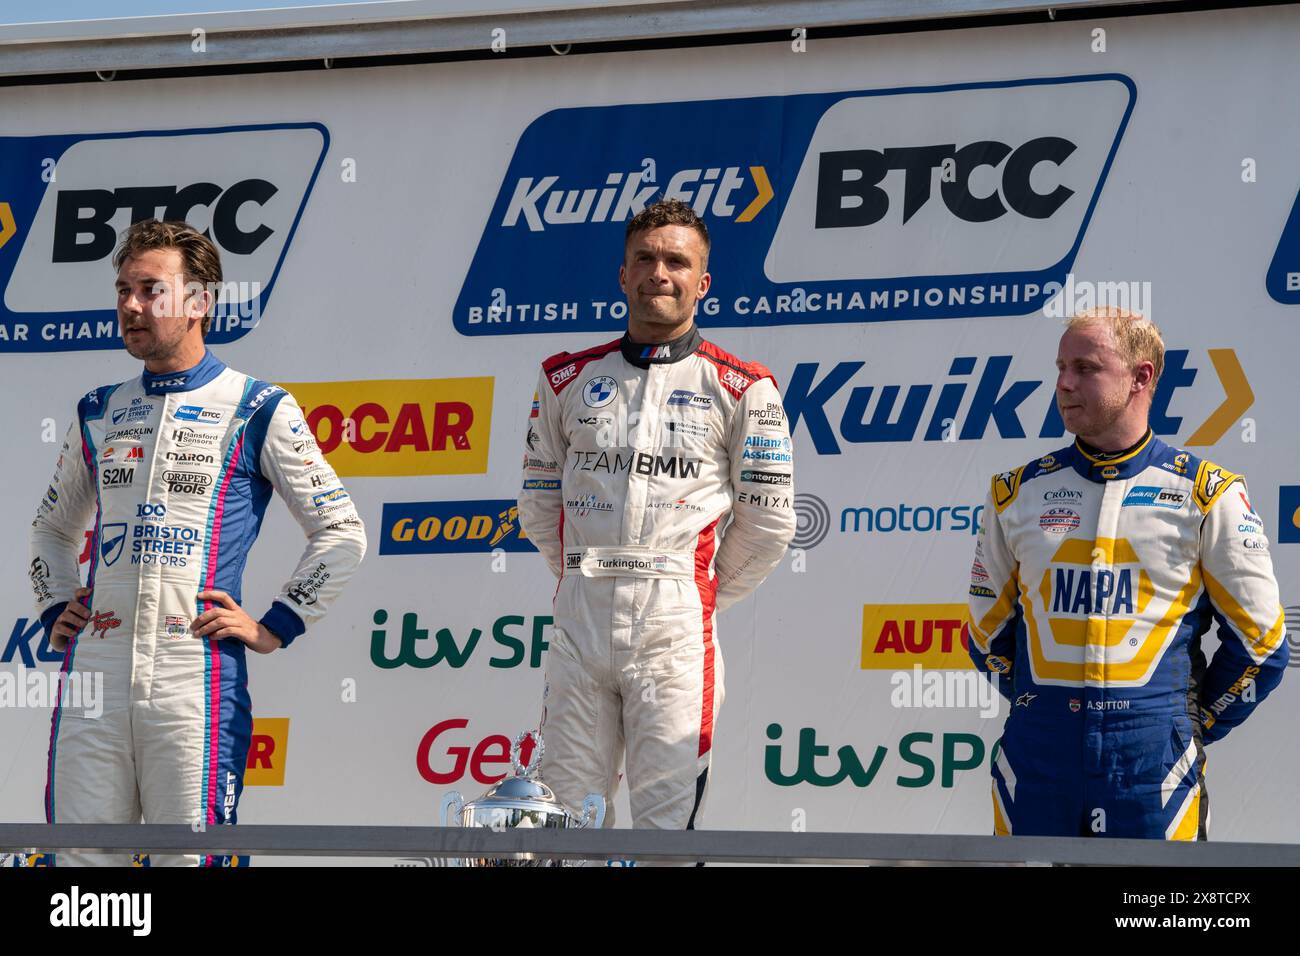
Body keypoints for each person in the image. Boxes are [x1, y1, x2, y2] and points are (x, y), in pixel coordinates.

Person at [29, 219, 366, 866]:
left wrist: (275, 625)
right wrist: (54, 604)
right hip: (95, 674)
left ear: (200, 302)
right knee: (75, 866)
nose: (130, 305)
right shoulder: (98, 409)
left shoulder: (257, 406)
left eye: (151, 289)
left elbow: (341, 531)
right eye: (124, 289)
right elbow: (51, 528)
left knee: (191, 861)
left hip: (194, 676)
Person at [518, 199, 796, 834]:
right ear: (622, 275)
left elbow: (770, 522)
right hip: (579, 616)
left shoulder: (744, 387)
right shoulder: (564, 379)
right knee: (563, 815)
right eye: (644, 258)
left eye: (677, 261)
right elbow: (539, 504)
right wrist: (590, 575)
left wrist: (691, 591)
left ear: (703, 282)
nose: (658, 273)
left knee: (667, 824)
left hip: (675, 623)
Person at [967, 307, 1288, 840]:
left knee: (1152, 919)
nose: (1064, 384)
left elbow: (1262, 645)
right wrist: (1043, 707)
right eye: (1060, 367)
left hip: (1151, 769)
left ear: (1142, 376)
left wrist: (1179, 726)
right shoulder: (1017, 492)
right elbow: (985, 633)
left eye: (1087, 368)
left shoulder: (1207, 494)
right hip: (1036, 762)